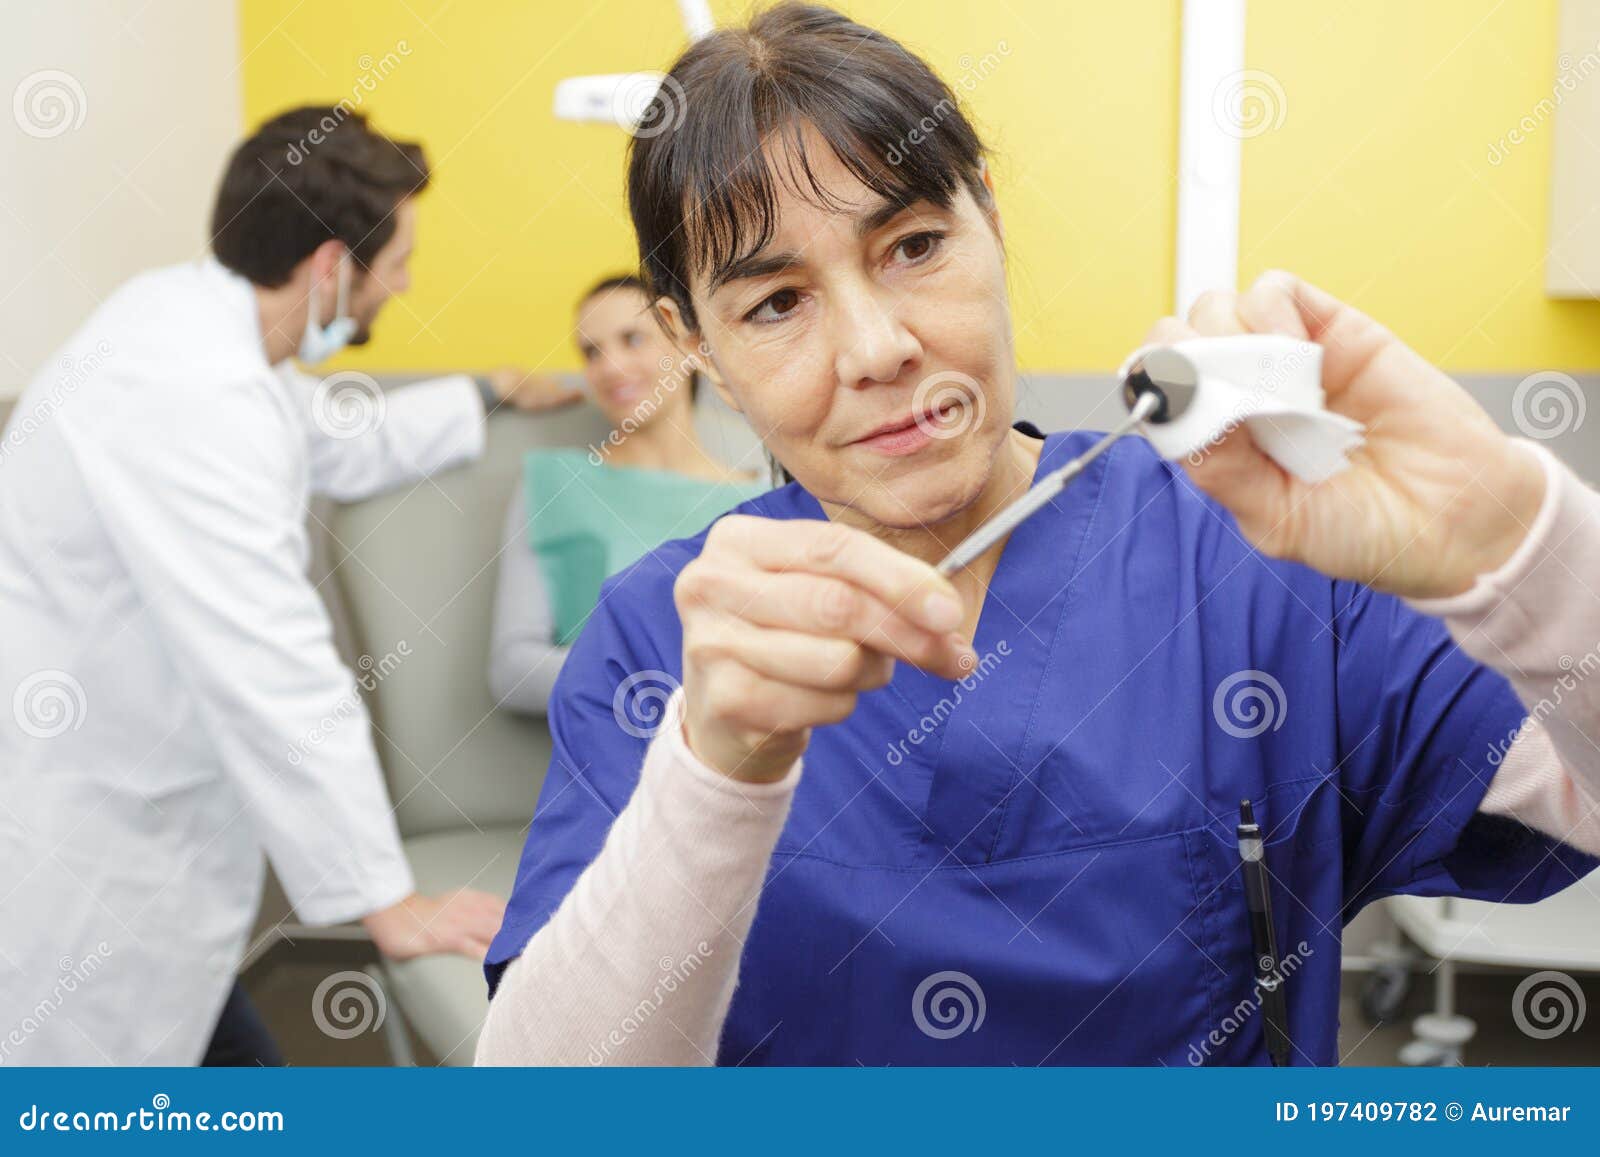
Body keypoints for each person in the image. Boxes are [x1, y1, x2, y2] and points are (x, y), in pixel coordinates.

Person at [476, 4, 1600, 1066]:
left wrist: (1514, 538)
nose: (876, 347)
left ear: (992, 220)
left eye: (914, 244)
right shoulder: (659, 644)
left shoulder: (1256, 556)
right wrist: (714, 774)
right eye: (776, 303)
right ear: (698, 349)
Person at [0, 106, 577, 1066]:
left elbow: (333, 433)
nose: (405, 283)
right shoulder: (189, 392)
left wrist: (488, 390)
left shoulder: (191, 328)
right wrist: (388, 900)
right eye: (398, 262)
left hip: (147, 828)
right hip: (95, 843)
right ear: (329, 267)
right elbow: (274, 660)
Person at [488, 274, 766, 714]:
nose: (610, 367)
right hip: (608, 750)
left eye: (632, 339)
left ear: (688, 346)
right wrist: (670, 694)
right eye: (592, 352)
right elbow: (512, 672)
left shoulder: (764, 497)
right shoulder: (555, 483)